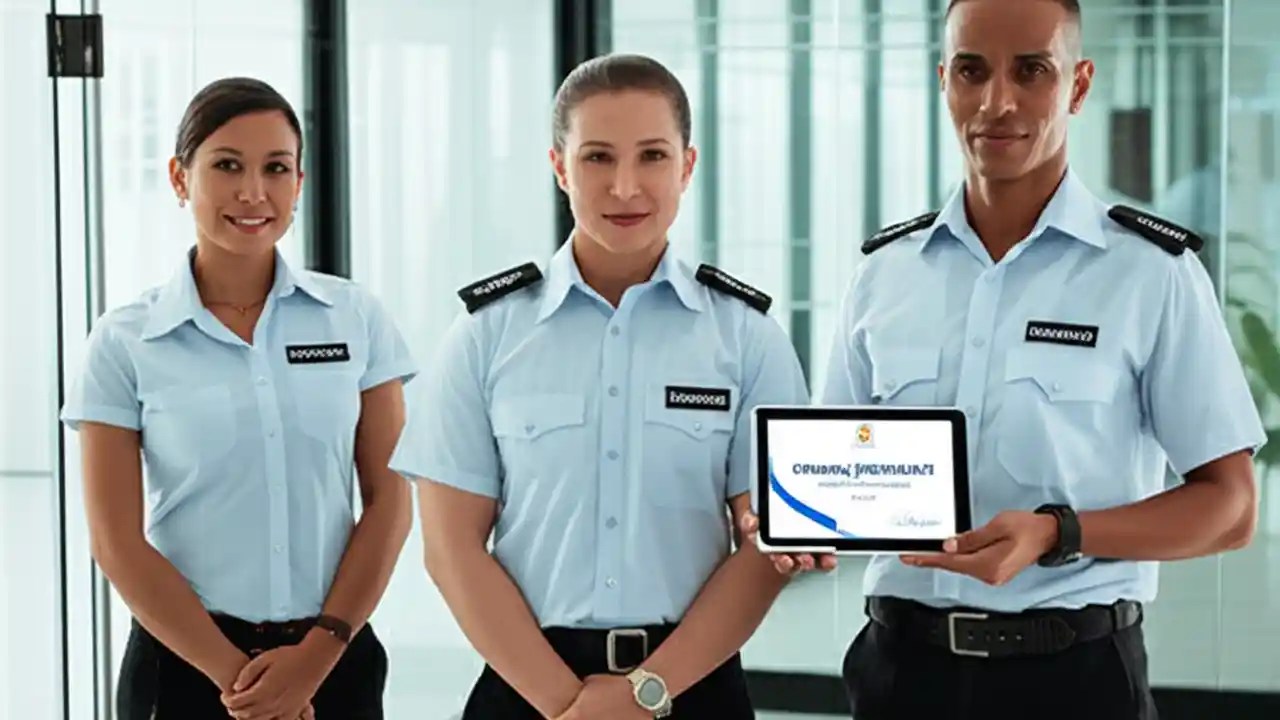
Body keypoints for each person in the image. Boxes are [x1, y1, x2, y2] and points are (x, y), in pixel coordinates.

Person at [743, 1, 1265, 718]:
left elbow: (1231, 508)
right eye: (971, 71)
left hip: (1075, 681)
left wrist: (1058, 532)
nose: (997, 102)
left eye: (1032, 72)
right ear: (944, 82)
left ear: (1077, 87)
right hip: (900, 676)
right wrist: (796, 526)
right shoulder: (885, 272)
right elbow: (839, 475)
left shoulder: (1150, 274)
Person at [388, 53, 809, 719]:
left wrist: (647, 693)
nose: (625, 187)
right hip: (526, 687)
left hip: (693, 687)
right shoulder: (486, 335)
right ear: (559, 166)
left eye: (651, 156)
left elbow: (766, 546)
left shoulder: (746, 337)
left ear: (687, 166)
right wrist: (567, 705)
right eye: (596, 158)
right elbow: (450, 550)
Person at [61, 77, 416, 720]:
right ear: (178, 177)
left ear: (299, 184)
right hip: (184, 670)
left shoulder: (354, 317)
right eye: (227, 166)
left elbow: (390, 499)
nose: (254, 192)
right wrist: (243, 684)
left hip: (333, 661)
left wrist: (316, 656)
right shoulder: (125, 340)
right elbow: (115, 541)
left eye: (276, 168)